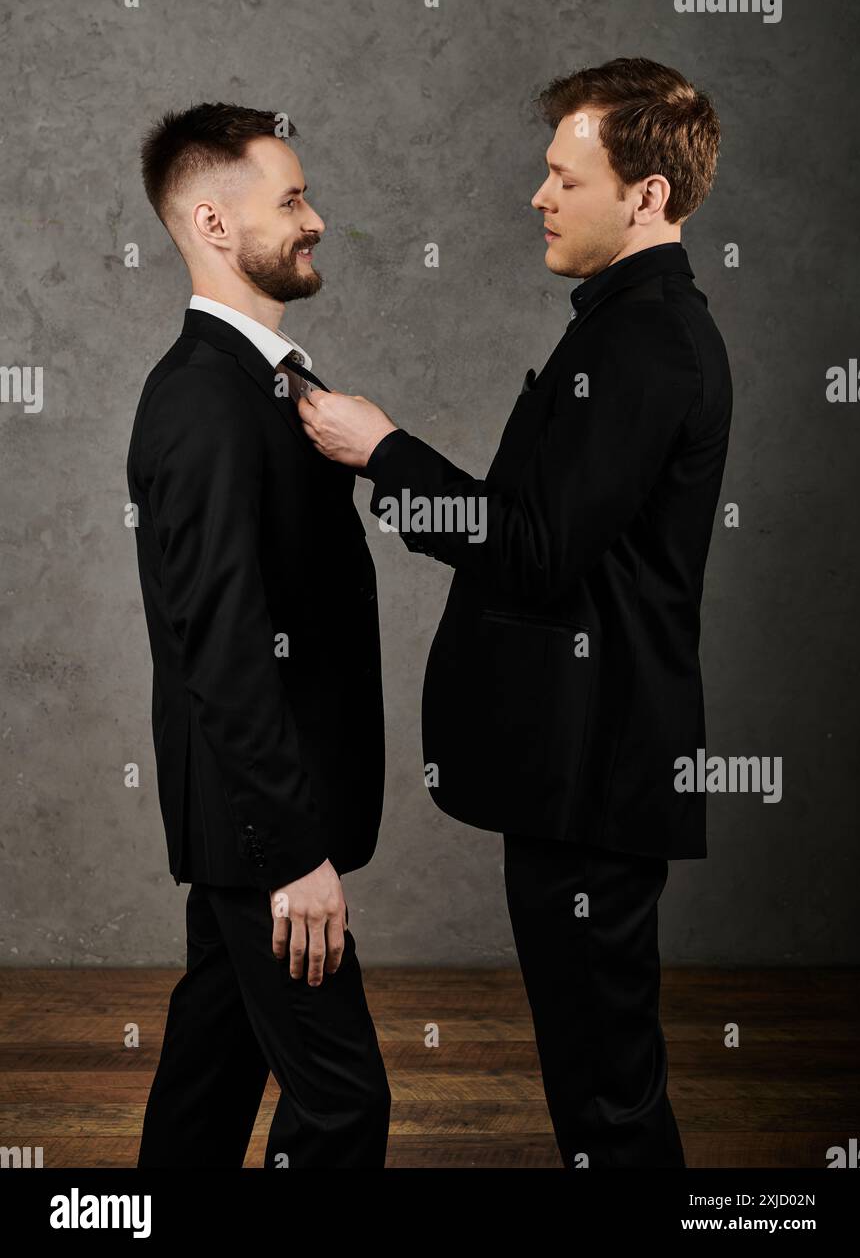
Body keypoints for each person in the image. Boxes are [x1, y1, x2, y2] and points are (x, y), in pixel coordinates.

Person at [299, 57, 732, 1168]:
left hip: (594, 774)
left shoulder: (644, 338)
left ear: (644, 197)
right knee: (598, 1077)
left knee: (606, 1094)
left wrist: (379, 449)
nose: (537, 198)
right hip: (578, 773)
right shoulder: (624, 325)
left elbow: (531, 551)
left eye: (561, 177)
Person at [127, 103, 390, 1168]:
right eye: (290, 199)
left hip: (261, 823)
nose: (315, 218)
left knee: (209, 1074)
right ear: (213, 223)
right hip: (262, 835)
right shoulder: (202, 401)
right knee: (341, 1104)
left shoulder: (274, 385)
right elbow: (223, 651)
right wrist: (292, 857)